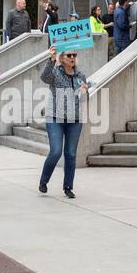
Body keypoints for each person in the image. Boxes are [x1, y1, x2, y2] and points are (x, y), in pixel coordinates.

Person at [38, 46, 90, 198]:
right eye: (69, 55)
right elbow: (44, 77)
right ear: (62, 58)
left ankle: (68, 187)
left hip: (75, 119)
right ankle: (43, 181)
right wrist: (51, 60)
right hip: (55, 118)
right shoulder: (55, 73)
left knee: (71, 154)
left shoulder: (80, 75)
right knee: (55, 151)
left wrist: (85, 91)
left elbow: (83, 99)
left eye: (74, 55)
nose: (72, 58)